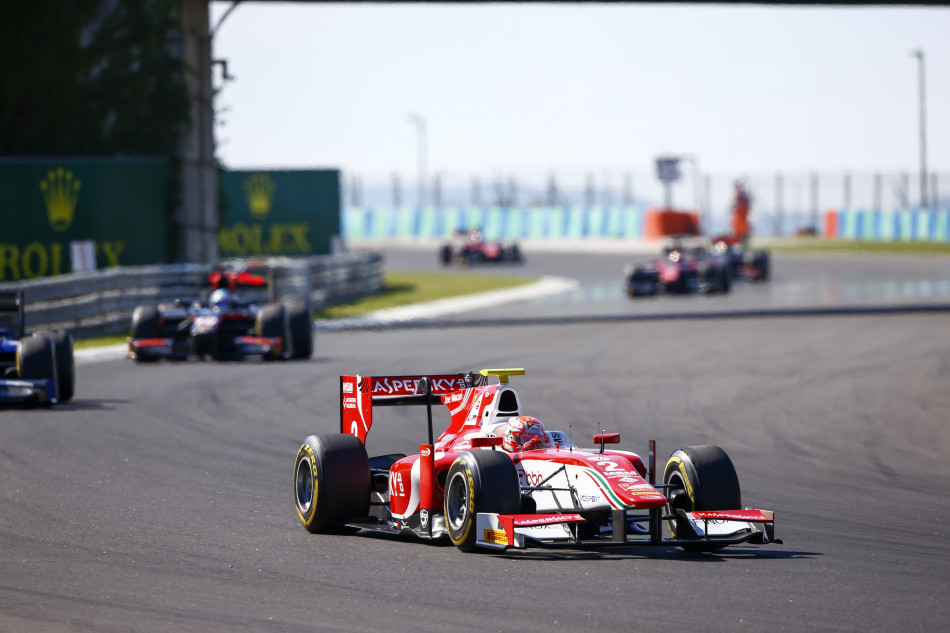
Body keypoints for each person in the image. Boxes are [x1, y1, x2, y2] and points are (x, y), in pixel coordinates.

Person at [731, 180, 751, 245]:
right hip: (741, 217)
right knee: (740, 229)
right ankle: (741, 242)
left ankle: (741, 242)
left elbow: (738, 204)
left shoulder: (740, 194)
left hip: (741, 216)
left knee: (740, 230)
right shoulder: (742, 194)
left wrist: (736, 207)